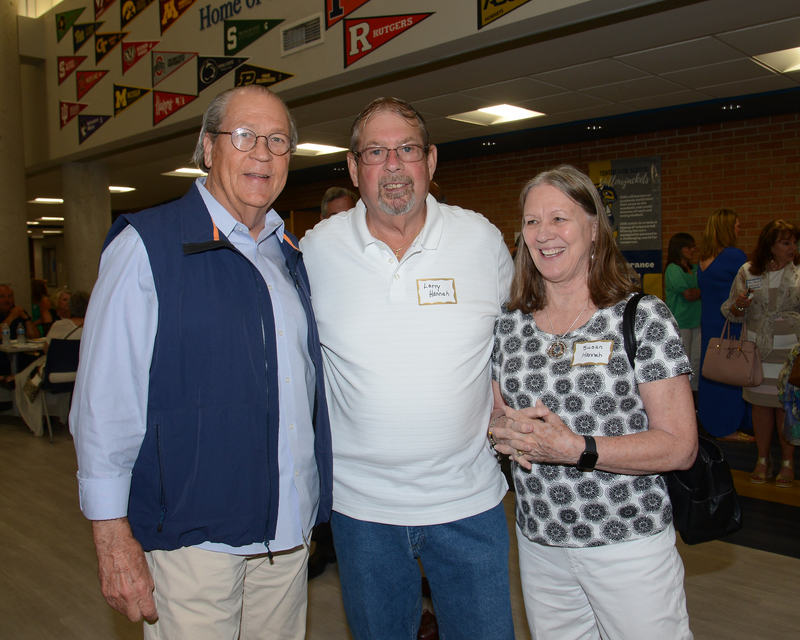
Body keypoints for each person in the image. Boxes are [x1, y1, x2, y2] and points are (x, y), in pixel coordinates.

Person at [70, 85, 333, 640]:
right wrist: (111, 533)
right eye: (244, 136)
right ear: (208, 148)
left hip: (286, 538)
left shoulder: (288, 256)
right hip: (192, 542)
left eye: (278, 140)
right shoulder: (148, 246)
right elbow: (105, 402)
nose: (262, 153)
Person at [300, 97, 516, 640]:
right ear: (354, 168)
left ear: (431, 160)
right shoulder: (316, 251)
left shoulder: (481, 240)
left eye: (407, 150)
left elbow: (516, 340)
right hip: (363, 510)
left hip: (468, 502)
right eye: (376, 152)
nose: (393, 165)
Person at [490, 165, 696, 640]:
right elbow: (498, 413)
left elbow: (680, 446)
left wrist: (578, 448)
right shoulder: (510, 323)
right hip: (540, 542)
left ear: (595, 228)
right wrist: (500, 430)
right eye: (532, 221)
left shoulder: (641, 318)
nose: (544, 234)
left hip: (627, 542)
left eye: (559, 218)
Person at [723, 220, 800, 487]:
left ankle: (788, 462)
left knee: (787, 406)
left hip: (791, 352)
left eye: (794, 242)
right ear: (770, 245)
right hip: (758, 352)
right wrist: (739, 305)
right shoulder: (748, 271)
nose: (792, 247)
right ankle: (763, 459)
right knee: (760, 406)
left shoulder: (799, 270)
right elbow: (732, 312)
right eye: (786, 243)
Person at [697, 209, 752, 441]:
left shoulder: (703, 259)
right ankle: (729, 427)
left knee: (712, 371)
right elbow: (752, 284)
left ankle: (713, 423)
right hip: (730, 321)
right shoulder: (734, 255)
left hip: (710, 322)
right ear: (728, 228)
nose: (739, 229)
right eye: (737, 225)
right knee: (733, 373)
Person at [15, 290, 90, 437]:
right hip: (82, 376)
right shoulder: (94, 326)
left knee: (28, 375)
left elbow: (46, 350)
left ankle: (36, 418)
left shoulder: (59, 326)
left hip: (56, 376)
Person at [665, 233, 702, 393]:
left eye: (693, 246)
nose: (693, 250)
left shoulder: (695, 268)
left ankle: (694, 395)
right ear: (679, 249)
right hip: (681, 321)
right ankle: (683, 394)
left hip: (697, 320)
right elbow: (689, 294)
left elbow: (703, 290)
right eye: (689, 247)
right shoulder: (673, 269)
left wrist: (700, 291)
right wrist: (700, 291)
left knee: (697, 361)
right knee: (683, 361)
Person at [0, 284, 39, 385]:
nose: (7, 300)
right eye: (2, 297)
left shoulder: (17, 311)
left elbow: (34, 336)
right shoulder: (13, 314)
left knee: (41, 360)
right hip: (2, 356)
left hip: (19, 355)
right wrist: (11, 317)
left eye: (10, 296)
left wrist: (26, 318)